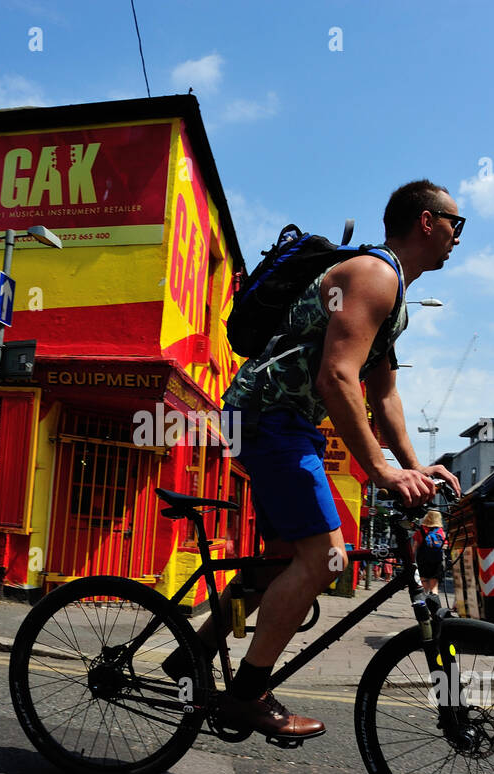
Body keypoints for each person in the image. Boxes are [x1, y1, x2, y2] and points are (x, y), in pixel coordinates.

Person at [164, 179, 464, 739]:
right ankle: (248, 695)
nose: (457, 237)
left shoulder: (391, 293)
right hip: (269, 417)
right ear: (426, 221)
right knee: (327, 560)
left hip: (277, 420)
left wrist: (412, 464)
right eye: (456, 224)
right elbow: (336, 376)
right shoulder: (373, 275)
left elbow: (383, 393)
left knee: (278, 567)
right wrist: (379, 468)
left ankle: (193, 655)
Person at [411, 509, 447, 595]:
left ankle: (425, 604)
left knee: (424, 585)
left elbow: (414, 547)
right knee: (434, 587)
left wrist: (411, 558)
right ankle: (435, 605)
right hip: (436, 560)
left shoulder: (420, 531)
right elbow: (445, 546)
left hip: (423, 560)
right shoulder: (441, 532)